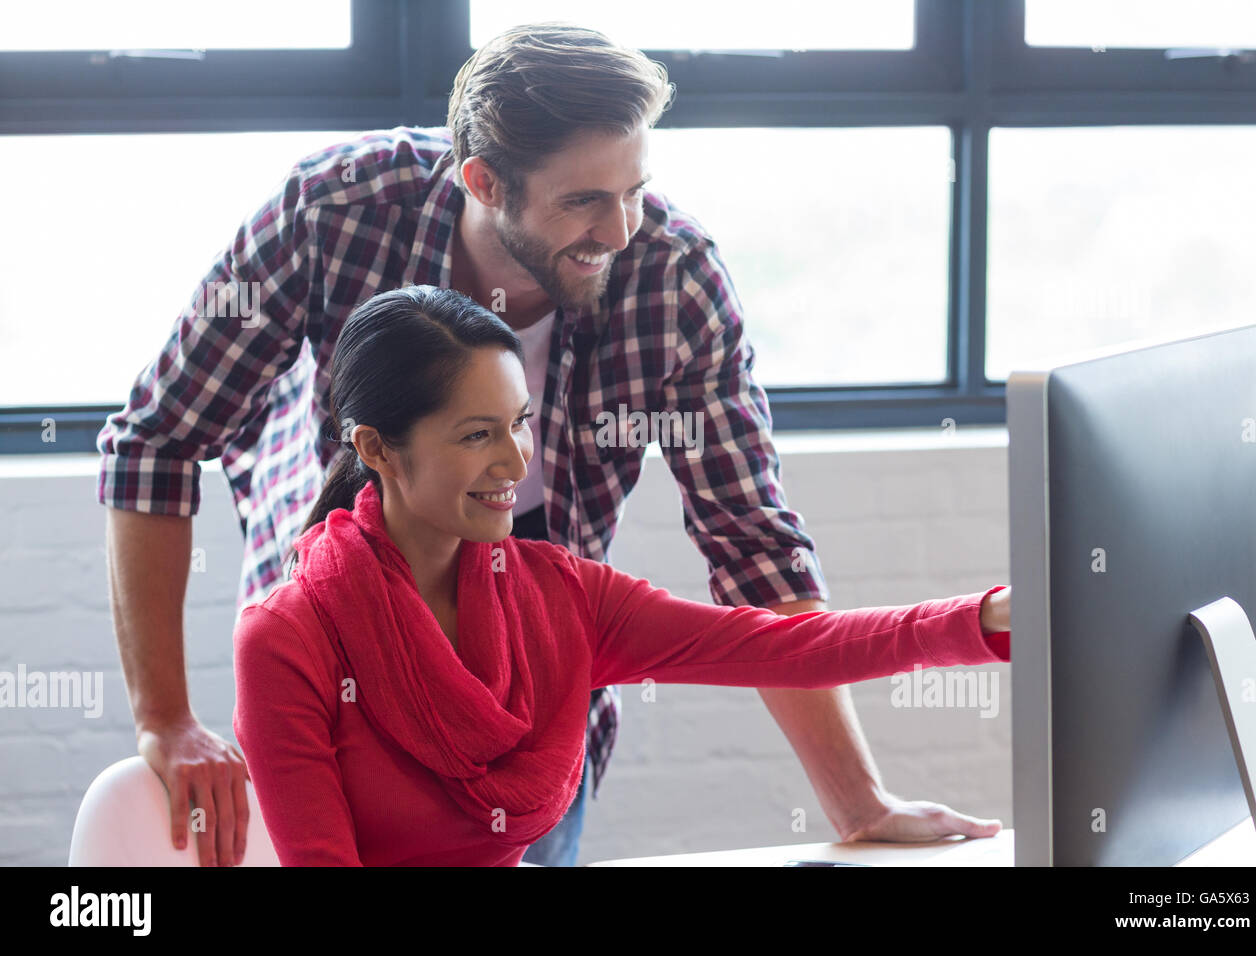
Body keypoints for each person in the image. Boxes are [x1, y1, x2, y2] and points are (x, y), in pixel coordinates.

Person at [98, 21, 1004, 869]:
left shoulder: (669, 284)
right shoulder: (335, 211)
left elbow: (755, 559)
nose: (620, 232)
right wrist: (165, 717)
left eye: (635, 192)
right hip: (342, 663)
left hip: (530, 705)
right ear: (484, 181)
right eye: (584, 202)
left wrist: (856, 802)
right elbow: (156, 442)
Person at [231, 285, 1012, 866]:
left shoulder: (560, 592)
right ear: (375, 449)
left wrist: (990, 619)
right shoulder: (288, 639)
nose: (514, 462)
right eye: (477, 435)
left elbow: (787, 648)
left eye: (520, 423)